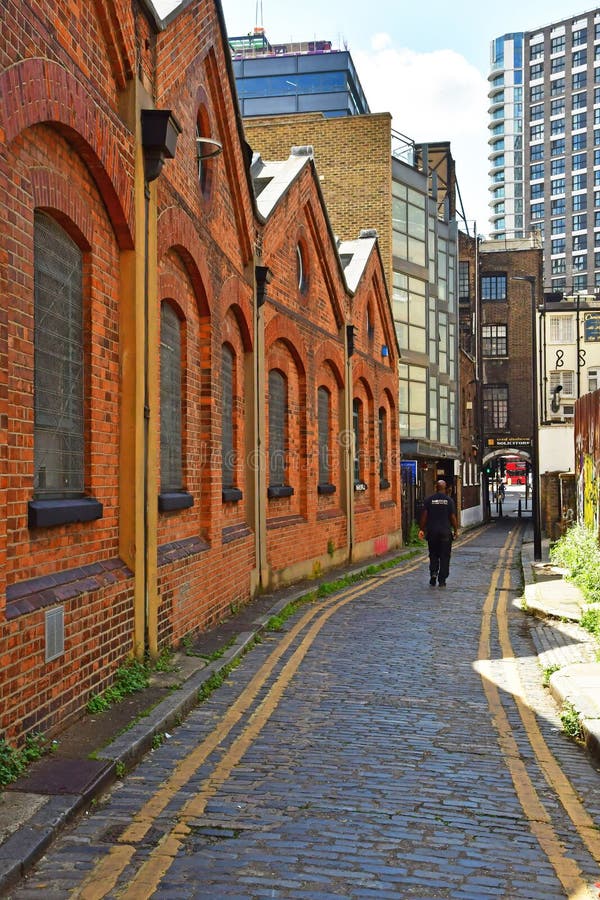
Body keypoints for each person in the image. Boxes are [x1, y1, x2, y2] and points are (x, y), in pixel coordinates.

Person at [418, 479, 458, 587]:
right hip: (445, 533)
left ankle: (434, 573)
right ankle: (442, 579)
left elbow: (424, 516)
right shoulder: (449, 501)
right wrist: (456, 530)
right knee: (445, 556)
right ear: (445, 488)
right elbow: (452, 517)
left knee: (433, 555)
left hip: (432, 533)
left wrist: (421, 529)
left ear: (436, 488)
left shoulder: (429, 500)